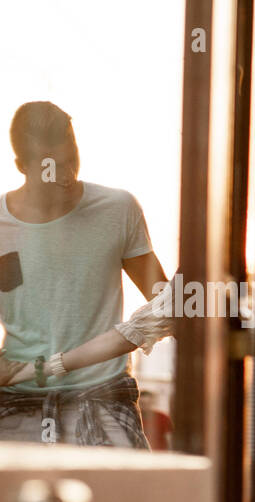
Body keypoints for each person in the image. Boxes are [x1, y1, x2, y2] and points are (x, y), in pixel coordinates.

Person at [0, 102, 168, 446]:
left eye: (70, 159)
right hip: (17, 397)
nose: (65, 175)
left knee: (129, 498)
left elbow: (165, 302)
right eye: (50, 165)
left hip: (104, 393)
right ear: (20, 166)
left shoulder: (118, 208)